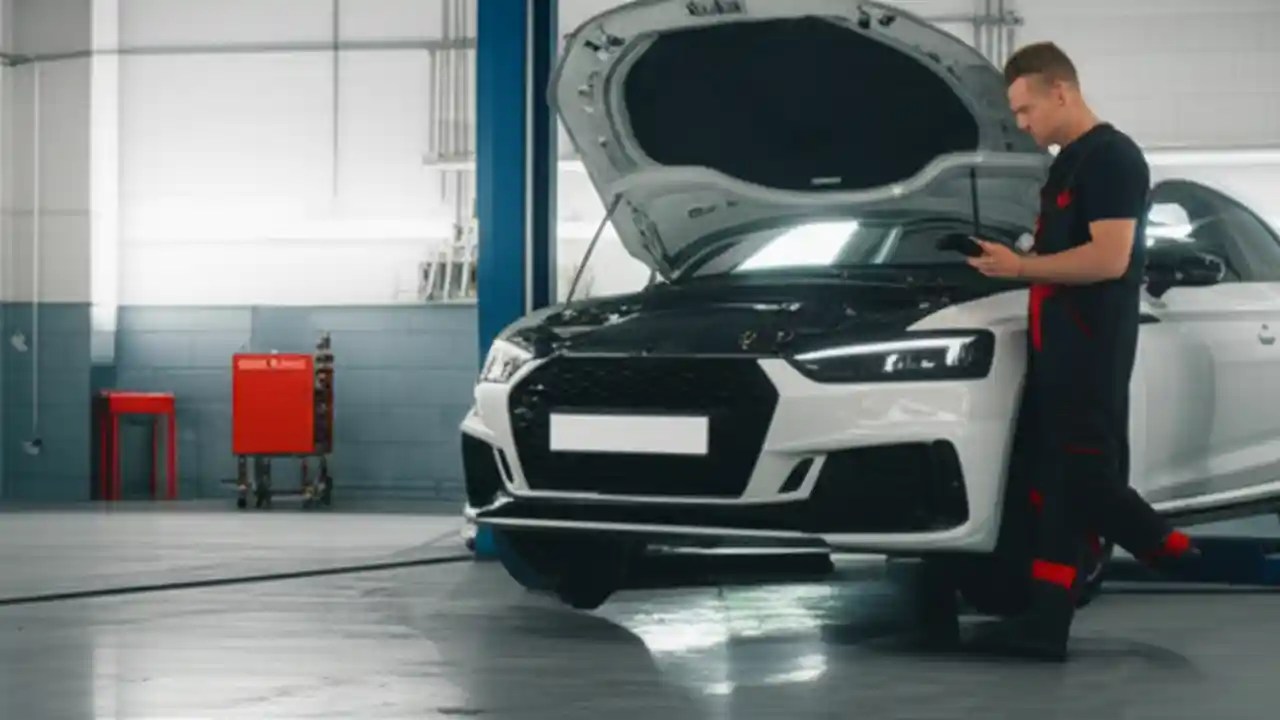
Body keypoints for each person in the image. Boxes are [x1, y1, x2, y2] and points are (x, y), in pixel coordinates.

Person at [965, 41, 1201, 660]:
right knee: (1057, 485)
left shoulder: (1115, 158)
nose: (1022, 124)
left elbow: (1110, 258)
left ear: (1060, 92)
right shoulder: (1067, 162)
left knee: (1086, 477)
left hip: (1093, 347)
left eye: (1025, 109)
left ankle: (1166, 547)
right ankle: (1046, 627)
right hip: (1056, 346)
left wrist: (1021, 266)